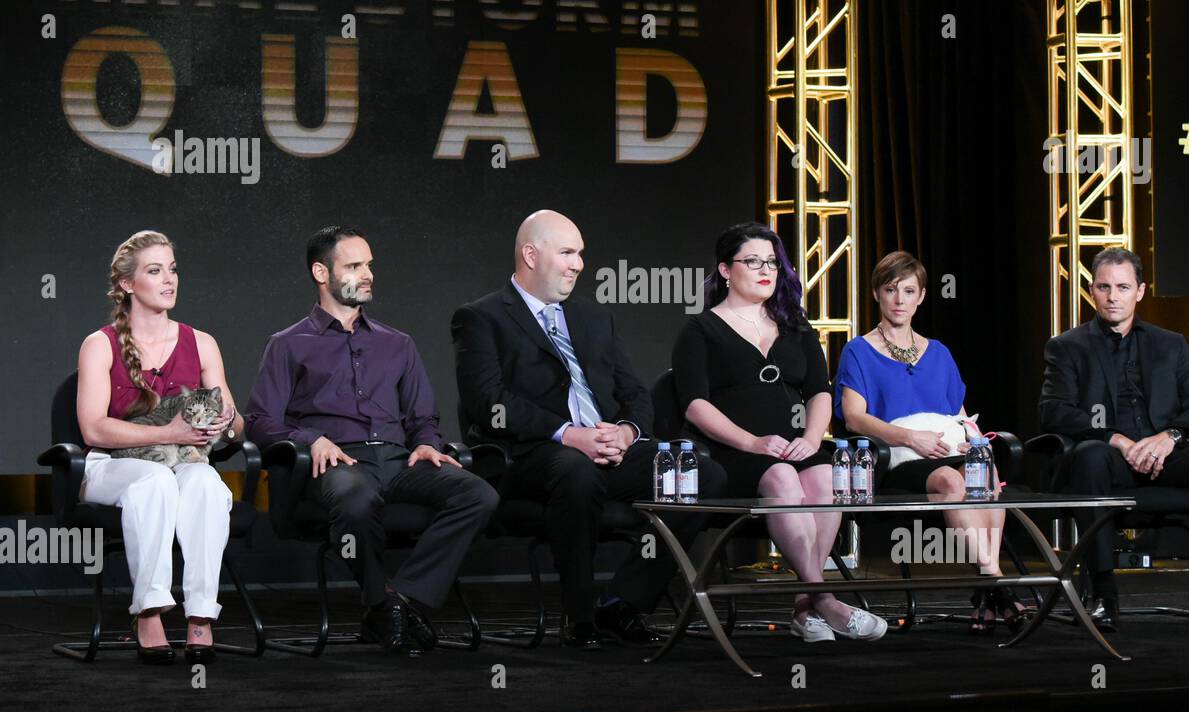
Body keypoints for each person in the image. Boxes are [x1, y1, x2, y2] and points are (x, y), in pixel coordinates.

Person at [451, 210, 726, 649]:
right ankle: (579, 617)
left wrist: (627, 432)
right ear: (530, 254)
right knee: (574, 470)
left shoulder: (595, 318)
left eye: (581, 253)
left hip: (606, 447)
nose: (579, 264)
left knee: (700, 472)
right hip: (530, 456)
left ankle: (622, 603)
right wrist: (568, 433)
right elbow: (490, 404)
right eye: (567, 253)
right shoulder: (481, 317)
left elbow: (635, 392)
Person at [245, 226, 499, 654]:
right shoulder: (288, 344)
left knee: (479, 495)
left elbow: (422, 416)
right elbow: (259, 421)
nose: (368, 274)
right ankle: (381, 601)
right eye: (355, 265)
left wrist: (427, 442)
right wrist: (312, 438)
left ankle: (400, 602)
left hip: (401, 461)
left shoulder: (397, 343)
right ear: (321, 273)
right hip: (338, 463)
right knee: (355, 502)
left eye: (369, 265)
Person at [673, 222, 889, 643]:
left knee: (828, 475)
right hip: (732, 452)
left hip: (794, 445)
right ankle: (824, 599)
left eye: (771, 261)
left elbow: (820, 393)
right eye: (752, 261)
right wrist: (753, 442)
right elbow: (695, 405)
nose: (765, 269)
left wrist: (811, 438)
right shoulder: (700, 330)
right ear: (724, 269)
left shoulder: (796, 326)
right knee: (782, 477)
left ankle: (805, 606)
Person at [1039, 246, 1189, 631]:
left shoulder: (1170, 343)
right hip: (1109, 463)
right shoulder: (1067, 347)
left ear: (1140, 291)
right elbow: (1054, 411)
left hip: (1170, 459)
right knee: (1091, 455)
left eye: (1123, 287)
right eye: (1104, 287)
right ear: (1091, 290)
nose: (1113, 296)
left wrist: (1171, 437)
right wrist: (1118, 440)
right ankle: (1104, 594)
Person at [834, 251, 1025, 634]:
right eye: (891, 290)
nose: (900, 300)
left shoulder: (938, 353)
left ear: (921, 296)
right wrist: (911, 438)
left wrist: (971, 443)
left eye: (909, 290)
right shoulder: (859, 350)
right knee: (953, 482)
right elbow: (854, 417)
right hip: (895, 458)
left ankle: (989, 583)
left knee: (984, 471)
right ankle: (995, 582)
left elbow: (960, 413)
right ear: (876, 294)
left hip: (943, 451)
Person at [76, 230, 240, 665]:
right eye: (154, 271)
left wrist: (226, 424)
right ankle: (149, 611)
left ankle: (201, 615)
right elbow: (93, 430)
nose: (169, 279)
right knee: (154, 482)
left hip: (180, 460)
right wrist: (168, 433)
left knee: (205, 482)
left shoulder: (201, 342)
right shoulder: (100, 344)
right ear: (128, 284)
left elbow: (237, 424)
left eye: (172, 269)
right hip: (113, 466)